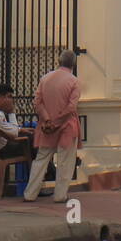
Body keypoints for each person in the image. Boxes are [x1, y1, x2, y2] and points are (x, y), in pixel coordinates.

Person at [23, 50, 81, 203]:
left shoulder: (45, 78)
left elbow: (37, 102)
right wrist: (57, 121)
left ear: (58, 61)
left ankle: (30, 194)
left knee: (41, 159)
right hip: (66, 126)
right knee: (65, 161)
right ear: (73, 64)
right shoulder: (74, 81)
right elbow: (71, 107)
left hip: (46, 127)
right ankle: (60, 195)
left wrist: (47, 119)